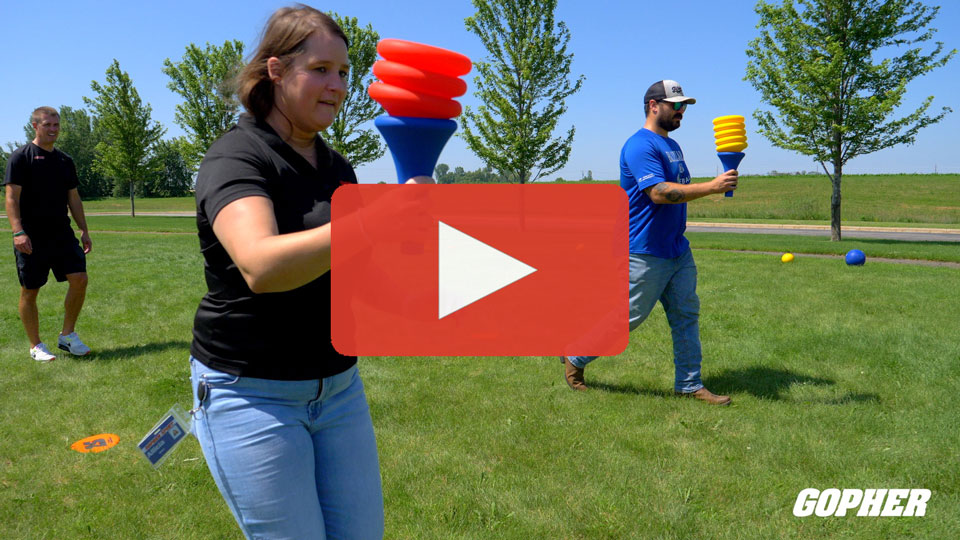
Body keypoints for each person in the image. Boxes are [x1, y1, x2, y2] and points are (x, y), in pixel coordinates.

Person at [188, 7, 432, 539]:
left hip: (339, 389)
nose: (338, 86)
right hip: (250, 392)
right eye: (321, 69)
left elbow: (362, 277)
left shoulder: (337, 167)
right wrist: (376, 223)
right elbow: (261, 264)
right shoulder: (235, 157)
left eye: (344, 73)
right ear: (275, 70)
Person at [562, 80, 737, 405]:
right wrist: (711, 187)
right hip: (643, 249)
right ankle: (576, 356)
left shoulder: (671, 145)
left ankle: (689, 384)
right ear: (654, 105)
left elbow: (677, 189)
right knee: (628, 318)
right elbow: (657, 192)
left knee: (686, 314)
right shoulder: (639, 146)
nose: (682, 112)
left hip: (675, 249)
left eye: (685, 106)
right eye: (677, 106)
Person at [4, 106, 92, 362]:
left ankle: (67, 336)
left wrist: (84, 229)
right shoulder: (21, 157)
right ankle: (36, 345)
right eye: (47, 125)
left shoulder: (65, 161)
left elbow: (73, 198)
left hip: (61, 233)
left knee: (80, 278)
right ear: (35, 126)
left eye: (56, 125)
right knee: (30, 290)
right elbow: (11, 198)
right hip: (31, 235)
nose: (53, 130)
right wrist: (18, 231)